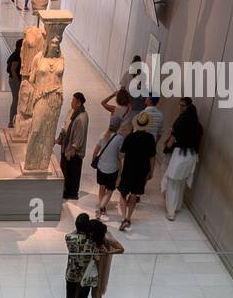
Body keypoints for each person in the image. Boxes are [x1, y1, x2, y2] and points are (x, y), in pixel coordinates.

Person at [93, 87, 132, 219]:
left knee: (102, 186)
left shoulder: (114, 109)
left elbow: (102, 103)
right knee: (118, 159)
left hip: (110, 135)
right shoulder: (128, 109)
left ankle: (101, 206)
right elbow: (120, 158)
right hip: (121, 137)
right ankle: (102, 207)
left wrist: (112, 94)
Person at [162, 98, 203, 220]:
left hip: (179, 156)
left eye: (182, 106)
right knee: (181, 183)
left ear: (186, 107)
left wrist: (169, 137)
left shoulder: (180, 122)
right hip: (191, 157)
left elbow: (170, 143)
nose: (180, 108)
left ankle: (171, 211)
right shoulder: (198, 126)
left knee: (172, 184)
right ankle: (178, 206)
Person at [117, 112, 157, 232]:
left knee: (123, 194)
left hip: (129, 169)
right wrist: (151, 171)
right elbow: (152, 157)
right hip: (142, 170)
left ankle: (123, 217)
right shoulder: (150, 139)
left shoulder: (130, 137)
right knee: (134, 194)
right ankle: (129, 218)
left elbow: (121, 155)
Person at [59, 213, 99, 298]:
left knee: (70, 296)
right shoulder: (92, 241)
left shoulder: (69, 238)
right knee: (83, 294)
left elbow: (72, 234)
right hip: (85, 273)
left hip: (72, 271)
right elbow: (96, 255)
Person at [82, 217, 124, 298]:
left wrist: (107, 253)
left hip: (100, 265)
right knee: (81, 288)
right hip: (88, 263)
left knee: (97, 291)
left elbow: (121, 249)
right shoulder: (87, 234)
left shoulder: (107, 237)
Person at [56, 92, 88, 201]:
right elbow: (65, 125)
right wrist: (59, 139)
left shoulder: (81, 118)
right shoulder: (72, 112)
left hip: (73, 151)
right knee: (65, 170)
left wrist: (73, 149)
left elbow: (79, 136)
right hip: (66, 147)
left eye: (73, 101)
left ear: (79, 103)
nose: (71, 103)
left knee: (73, 172)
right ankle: (65, 189)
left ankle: (72, 192)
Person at [6, 39, 22, 129]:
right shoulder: (16, 55)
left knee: (16, 100)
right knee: (16, 100)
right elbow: (13, 69)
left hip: (13, 79)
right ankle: (11, 122)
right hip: (14, 80)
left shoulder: (15, 54)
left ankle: (14, 121)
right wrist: (18, 82)